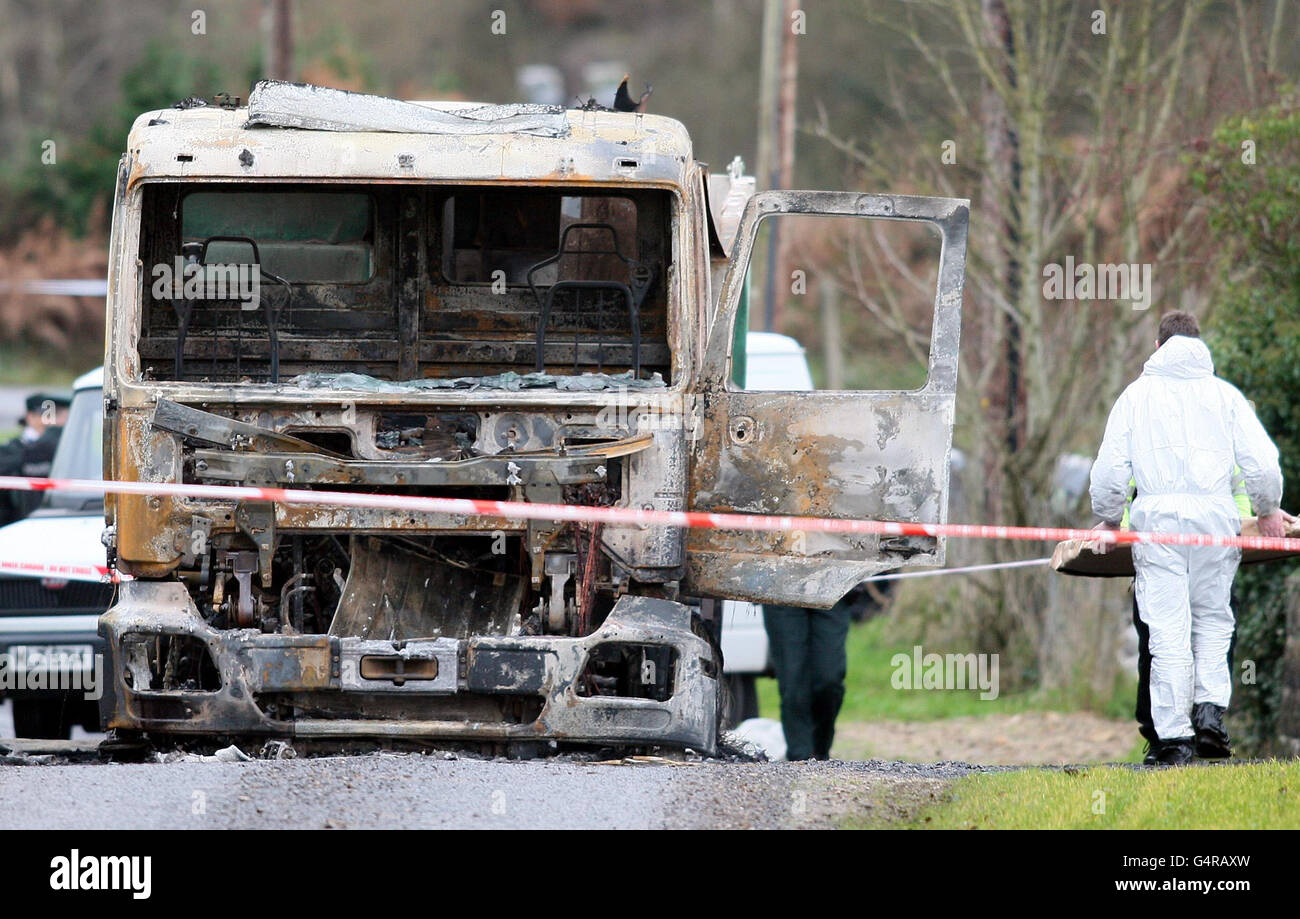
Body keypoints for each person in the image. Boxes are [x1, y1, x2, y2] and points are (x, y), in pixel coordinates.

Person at [1090, 311, 1284, 765]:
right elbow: (1261, 463)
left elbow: (1110, 470)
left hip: (1157, 522)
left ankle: (1175, 739)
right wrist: (1268, 509)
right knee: (1214, 620)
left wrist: (1107, 518)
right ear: (1200, 346)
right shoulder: (1226, 397)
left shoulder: (1135, 397)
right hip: (1217, 522)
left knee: (1167, 629)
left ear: (1157, 347)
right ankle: (1211, 717)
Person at [763, 589, 859, 761]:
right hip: (782, 588)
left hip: (832, 587)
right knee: (793, 682)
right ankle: (800, 758)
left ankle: (820, 751)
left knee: (829, 679)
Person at [0, 391, 70, 526]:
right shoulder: (12, 449)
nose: (49, 421)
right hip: (20, 518)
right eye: (44, 415)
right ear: (30, 417)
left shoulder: (62, 446)